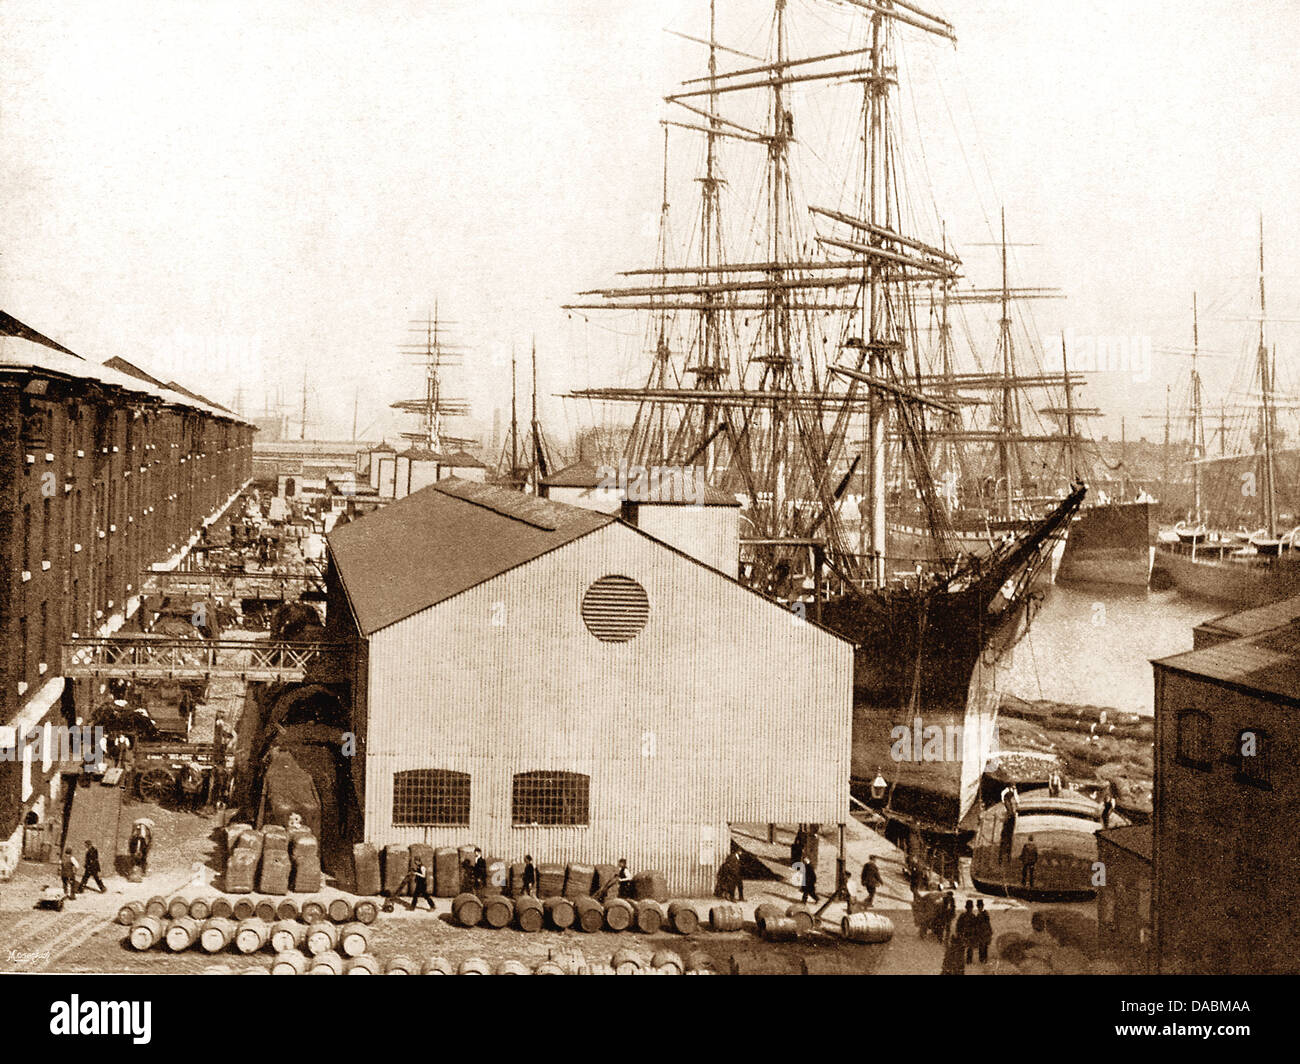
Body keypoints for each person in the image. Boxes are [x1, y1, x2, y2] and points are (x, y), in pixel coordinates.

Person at [957, 898, 977, 963]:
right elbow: (958, 925)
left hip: (970, 934)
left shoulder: (973, 916)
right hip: (964, 933)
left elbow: (976, 926)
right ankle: (962, 960)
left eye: (970, 907)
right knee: (962, 948)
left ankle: (969, 960)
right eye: (969, 907)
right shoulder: (963, 916)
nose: (970, 909)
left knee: (969, 949)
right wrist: (959, 933)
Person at [974, 899, 993, 964]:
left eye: (980, 906)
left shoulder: (984, 914)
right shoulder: (981, 914)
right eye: (978, 906)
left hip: (984, 932)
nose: (979, 908)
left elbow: (987, 923)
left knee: (983, 946)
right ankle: (983, 959)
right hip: (982, 932)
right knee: (982, 946)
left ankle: (983, 959)